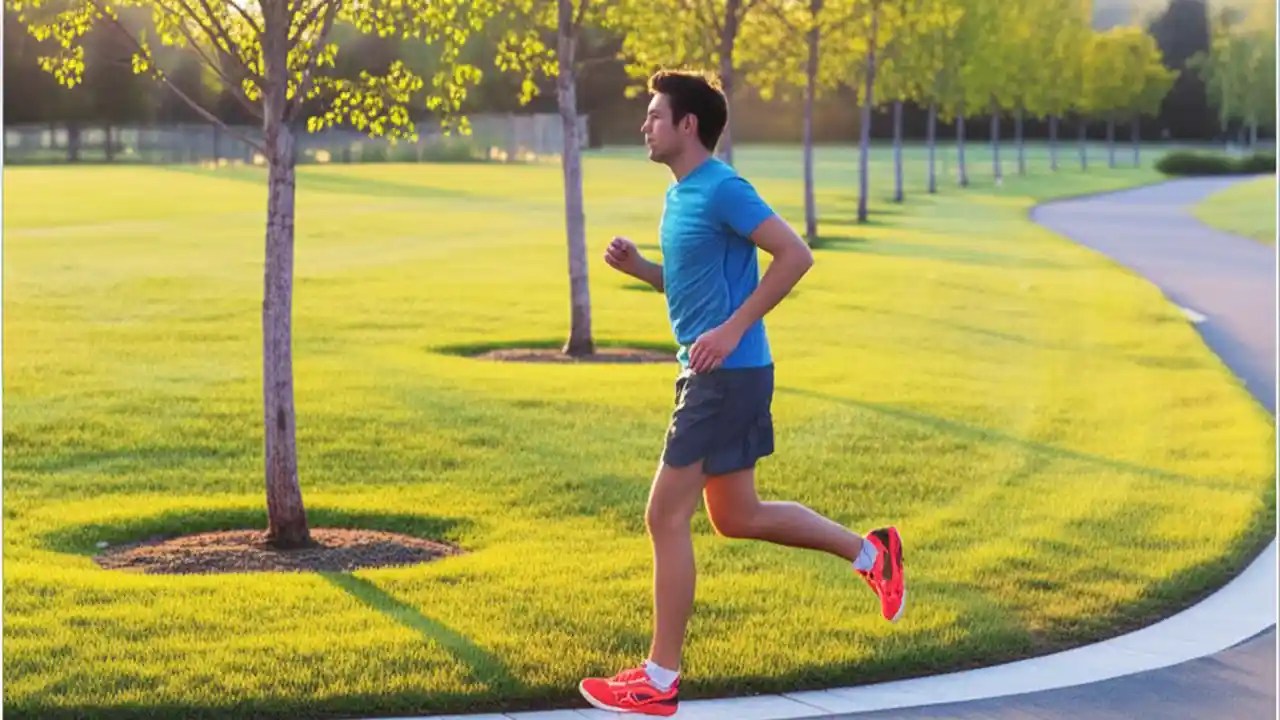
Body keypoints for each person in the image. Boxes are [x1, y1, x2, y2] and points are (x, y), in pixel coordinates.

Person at [578, 70, 905, 717]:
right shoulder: (680, 197)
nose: (645, 125)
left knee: (663, 515)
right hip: (720, 371)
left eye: (653, 115)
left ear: (687, 125)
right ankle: (874, 553)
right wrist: (642, 269)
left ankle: (659, 679)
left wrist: (732, 330)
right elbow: (695, 284)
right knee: (736, 517)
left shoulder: (724, 188)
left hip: (724, 377)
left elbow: (794, 254)